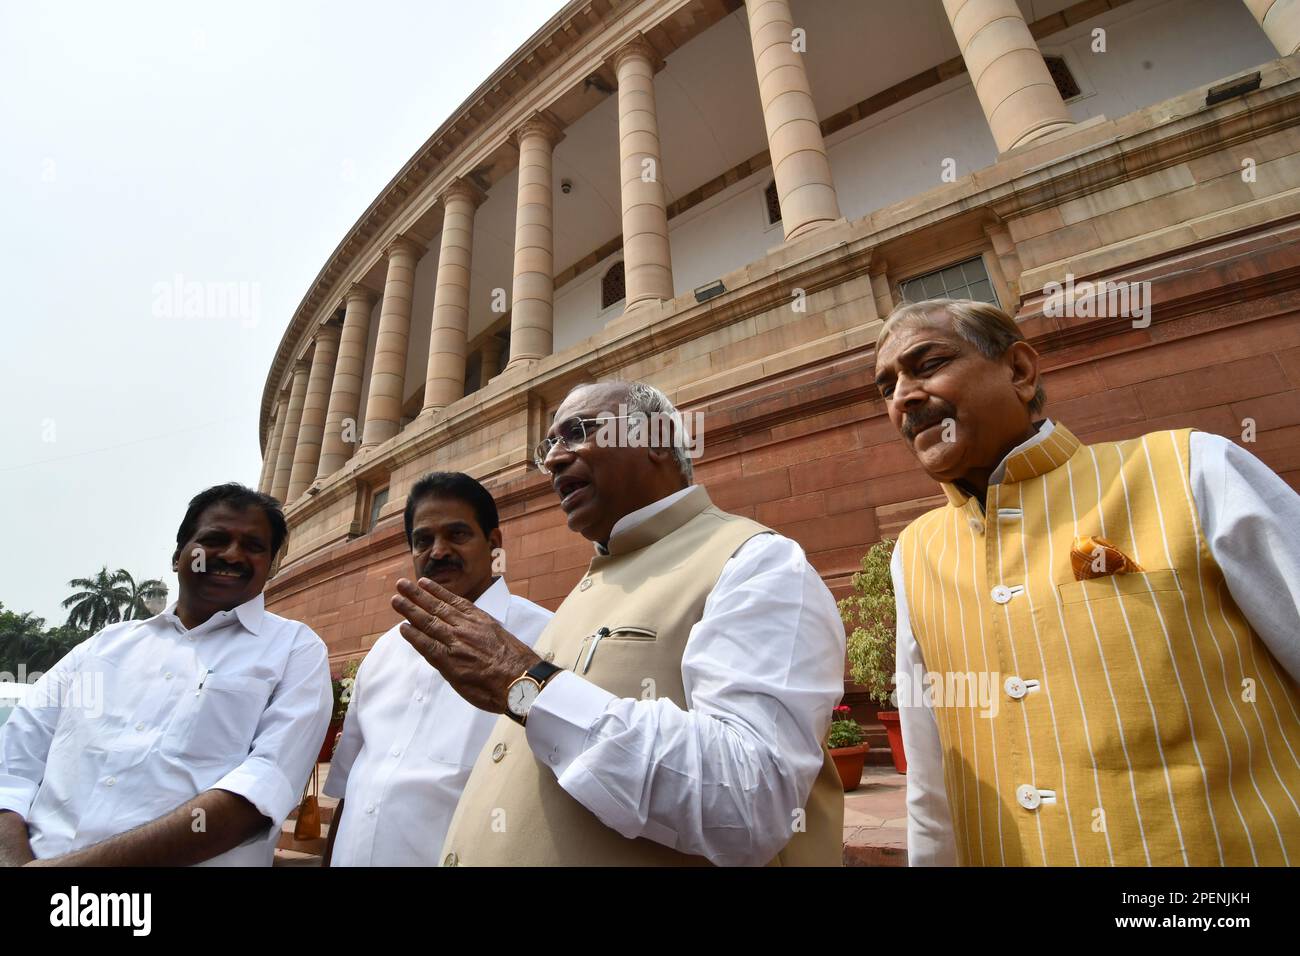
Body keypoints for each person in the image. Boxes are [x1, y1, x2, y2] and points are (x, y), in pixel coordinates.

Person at [873, 297, 1300, 866]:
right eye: (886, 387)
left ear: (1020, 371)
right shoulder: (915, 553)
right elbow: (932, 776)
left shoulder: (1192, 468)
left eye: (927, 364)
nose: (904, 395)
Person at [391, 380, 846, 866]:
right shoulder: (591, 584)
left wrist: (528, 685)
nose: (553, 460)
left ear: (654, 438)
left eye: (578, 433)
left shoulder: (757, 563)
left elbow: (749, 797)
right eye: (549, 446)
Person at [0, 483, 332, 866]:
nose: (231, 554)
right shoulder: (104, 647)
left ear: (271, 565)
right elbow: (13, 766)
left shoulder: (295, 650)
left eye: (254, 546)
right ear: (178, 556)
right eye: (215, 539)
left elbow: (256, 795)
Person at [322, 472, 552, 866]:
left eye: (457, 535)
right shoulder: (385, 648)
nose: (438, 552)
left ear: (493, 543)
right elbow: (354, 786)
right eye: (423, 540)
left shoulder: (545, 638)